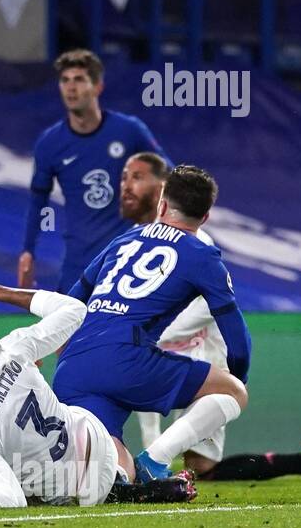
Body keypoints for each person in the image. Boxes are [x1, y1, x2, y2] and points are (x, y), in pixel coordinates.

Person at [120, 152, 301, 484]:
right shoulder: (137, 239)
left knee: (200, 467)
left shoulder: (195, 242)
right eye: (124, 178)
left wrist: (147, 333)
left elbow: (207, 306)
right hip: (161, 353)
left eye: (136, 178)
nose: (125, 187)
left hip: (200, 355)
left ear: (161, 191)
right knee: (196, 466)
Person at [0, 259, 196, 509]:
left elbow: (9, 498)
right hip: (99, 444)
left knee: (33, 485)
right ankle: (130, 485)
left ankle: (124, 489)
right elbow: (75, 310)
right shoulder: (13, 348)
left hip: (80, 493)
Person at [53, 164, 252, 482]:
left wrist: (59, 353)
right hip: (127, 359)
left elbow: (69, 304)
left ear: (161, 203)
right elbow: (237, 341)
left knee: (118, 475)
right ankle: (156, 460)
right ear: (204, 219)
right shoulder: (203, 255)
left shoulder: (123, 241)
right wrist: (238, 379)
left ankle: (121, 473)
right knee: (234, 392)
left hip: (73, 366)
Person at [18, 49, 166, 293]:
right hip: (78, 265)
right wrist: (28, 251)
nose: (71, 88)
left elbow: (167, 175)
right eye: (65, 80)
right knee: (69, 329)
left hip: (129, 261)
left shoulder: (129, 131)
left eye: (79, 80)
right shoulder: (50, 144)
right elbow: (39, 203)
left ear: (98, 87)